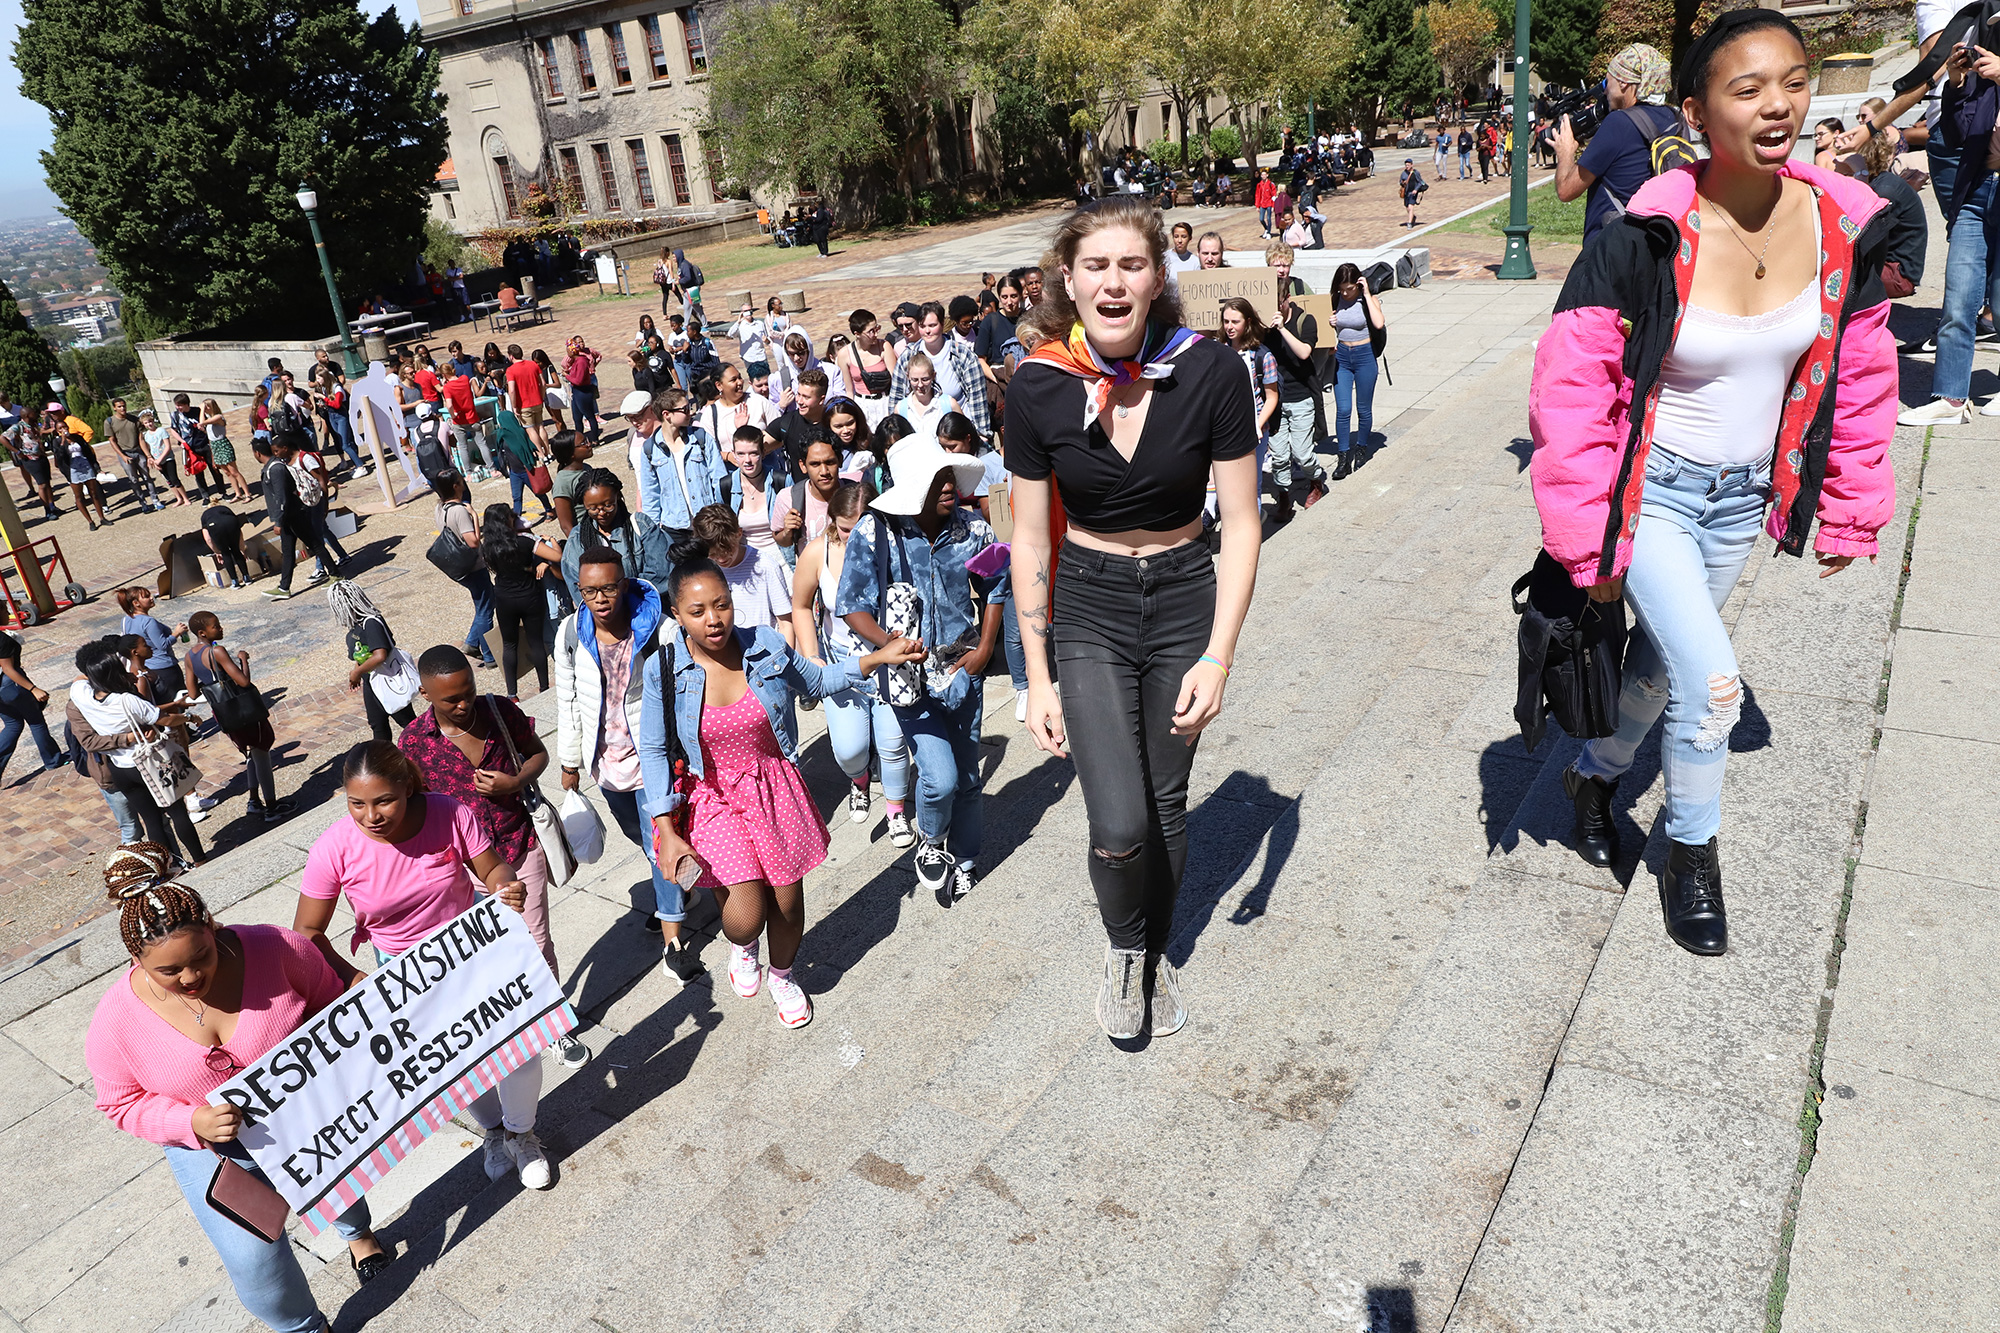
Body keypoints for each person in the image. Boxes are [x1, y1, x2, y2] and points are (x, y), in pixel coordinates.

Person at [1529, 9, 1896, 956]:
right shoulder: (1640, 239)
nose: (1778, 104)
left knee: (1659, 671)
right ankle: (1691, 854)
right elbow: (1572, 394)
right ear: (1694, 110)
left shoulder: (1840, 229)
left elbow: (1859, 377)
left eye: (1794, 81)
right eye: (1747, 88)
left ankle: (1596, 775)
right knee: (1716, 683)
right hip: (1649, 493)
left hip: (1741, 499)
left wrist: (1852, 508)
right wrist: (1588, 542)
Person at [1005, 193, 1262, 1040]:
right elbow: (1031, 541)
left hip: (1186, 591)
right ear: (1068, 281)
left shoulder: (1213, 371)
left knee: (1166, 801)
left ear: (1158, 278)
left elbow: (1244, 524)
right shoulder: (1039, 385)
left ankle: (1151, 956)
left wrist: (1218, 656)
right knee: (1118, 823)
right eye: (1096, 266)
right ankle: (1124, 949)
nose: (1114, 282)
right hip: (1089, 602)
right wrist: (1035, 679)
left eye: (1132, 264)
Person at [86, 849, 390, 1333]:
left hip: (305, 1116)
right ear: (136, 959)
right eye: (168, 972)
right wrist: (190, 1123)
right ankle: (306, 1328)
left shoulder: (277, 948)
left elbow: (332, 1005)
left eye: (201, 956)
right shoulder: (116, 1020)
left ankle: (358, 1236)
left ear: (213, 925)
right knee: (254, 1263)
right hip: (213, 1149)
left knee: (335, 1183)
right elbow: (119, 1102)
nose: (190, 978)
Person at [638, 539, 923, 1028]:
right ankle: (744, 948)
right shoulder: (664, 669)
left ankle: (784, 975)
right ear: (677, 614)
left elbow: (814, 681)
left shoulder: (764, 644)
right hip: (714, 799)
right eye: (698, 610)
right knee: (746, 915)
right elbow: (655, 749)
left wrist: (876, 660)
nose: (713, 619)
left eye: (721, 604)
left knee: (788, 903)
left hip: (775, 787)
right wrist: (665, 828)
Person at [295, 742, 555, 1186]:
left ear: (408, 788)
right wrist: (353, 977)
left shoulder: (448, 812)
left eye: (384, 801)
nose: (371, 816)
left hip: (471, 947)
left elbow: (492, 869)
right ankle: (493, 1131)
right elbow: (306, 933)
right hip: (402, 972)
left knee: (522, 1047)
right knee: (458, 1063)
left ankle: (522, 1132)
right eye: (357, 804)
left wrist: (506, 886)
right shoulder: (333, 848)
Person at [835, 441, 1000, 905]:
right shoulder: (876, 530)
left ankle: (965, 861)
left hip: (963, 669)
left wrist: (985, 646)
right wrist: (889, 645)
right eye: (939, 479)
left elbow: (998, 582)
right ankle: (931, 840)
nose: (951, 485)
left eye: (951, 476)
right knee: (940, 777)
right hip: (907, 681)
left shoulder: (971, 527)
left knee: (968, 777)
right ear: (913, 489)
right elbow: (851, 604)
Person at [553, 547, 706, 980]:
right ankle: (684, 887)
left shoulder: (661, 629)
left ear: (624, 584)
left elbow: (692, 684)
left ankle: (673, 940)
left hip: (653, 757)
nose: (599, 599)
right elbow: (567, 701)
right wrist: (569, 759)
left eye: (608, 588)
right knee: (639, 837)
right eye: (589, 591)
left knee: (660, 843)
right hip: (605, 761)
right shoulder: (569, 634)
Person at [792, 480, 914, 838]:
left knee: (893, 745)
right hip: (841, 663)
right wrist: (810, 653)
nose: (853, 536)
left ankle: (895, 811)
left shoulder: (891, 549)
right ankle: (859, 781)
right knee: (849, 750)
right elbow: (800, 606)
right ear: (832, 521)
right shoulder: (817, 552)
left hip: (889, 660)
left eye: (861, 527)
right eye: (846, 529)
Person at [1897, 31, 2000, 426]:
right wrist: (1956, 84)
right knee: (1958, 300)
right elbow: (1956, 134)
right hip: (1977, 192)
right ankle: (1952, 398)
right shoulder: (1984, 84)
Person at [68, 637, 206, 866]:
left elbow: (79, 680)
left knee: (151, 820)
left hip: (120, 768)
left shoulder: (80, 696)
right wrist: (189, 716)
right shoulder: (127, 701)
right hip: (149, 762)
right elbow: (165, 718)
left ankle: (168, 867)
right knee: (177, 810)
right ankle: (200, 859)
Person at [1555, 43, 1677, 246]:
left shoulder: (1619, 123)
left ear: (1623, 83)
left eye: (1607, 82)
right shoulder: (1676, 117)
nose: (1605, 92)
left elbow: (1566, 190)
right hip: (1659, 245)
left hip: (1613, 251)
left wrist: (1565, 151)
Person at [183, 612, 294, 823]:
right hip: (242, 708)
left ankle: (254, 800)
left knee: (250, 753)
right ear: (202, 632)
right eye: (216, 626)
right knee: (262, 753)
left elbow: (193, 693)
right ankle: (271, 805)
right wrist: (243, 660)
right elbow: (243, 682)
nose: (221, 628)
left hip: (223, 713)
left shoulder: (189, 657)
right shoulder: (216, 651)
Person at [1261, 240, 1326, 522]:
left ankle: (1316, 480)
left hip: (1301, 398)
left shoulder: (1303, 320)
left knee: (1302, 453)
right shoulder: (1263, 324)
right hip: (1275, 398)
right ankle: (1284, 498)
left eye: (1280, 300)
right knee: (1278, 457)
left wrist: (1282, 328)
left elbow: (1303, 352)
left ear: (1287, 299)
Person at [479, 502, 565, 697]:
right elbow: (557, 557)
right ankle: (544, 687)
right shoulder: (525, 540)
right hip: (530, 596)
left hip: (504, 598)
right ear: (507, 520)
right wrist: (551, 539)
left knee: (509, 644)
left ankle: (512, 694)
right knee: (536, 641)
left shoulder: (488, 548)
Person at [560, 466, 676, 603]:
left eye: (608, 505)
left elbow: (661, 573)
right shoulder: (578, 539)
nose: (601, 513)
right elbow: (576, 584)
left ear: (618, 496)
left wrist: (625, 599)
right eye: (593, 508)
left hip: (644, 608)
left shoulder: (641, 526)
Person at [631, 386, 729, 539]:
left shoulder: (701, 438)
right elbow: (651, 495)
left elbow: (719, 480)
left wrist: (722, 517)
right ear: (667, 415)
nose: (690, 412)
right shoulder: (650, 450)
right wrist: (654, 534)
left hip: (709, 523)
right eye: (684, 409)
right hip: (674, 529)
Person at [329, 580, 417, 743]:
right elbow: (358, 655)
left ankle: (431, 751)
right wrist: (357, 672)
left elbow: (380, 655)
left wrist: (356, 672)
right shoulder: (355, 626)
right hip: (371, 682)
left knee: (408, 722)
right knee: (378, 725)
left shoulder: (371, 622)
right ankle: (383, 764)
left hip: (389, 679)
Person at [888, 301, 992, 439]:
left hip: (957, 433)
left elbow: (977, 398)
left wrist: (981, 435)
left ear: (942, 324)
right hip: (920, 434)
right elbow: (896, 398)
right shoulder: (907, 357)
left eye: (932, 325)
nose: (927, 331)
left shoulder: (962, 355)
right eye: (922, 326)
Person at [433, 470, 501, 670]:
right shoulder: (460, 511)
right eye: (461, 481)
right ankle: (489, 656)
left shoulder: (440, 508)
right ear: (455, 486)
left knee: (483, 605)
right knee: (486, 610)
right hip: (474, 566)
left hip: (458, 567)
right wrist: (474, 517)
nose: (463, 484)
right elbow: (473, 542)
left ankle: (471, 643)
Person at [250, 435, 329, 601]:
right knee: (288, 552)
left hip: (293, 516)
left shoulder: (276, 469)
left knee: (315, 544)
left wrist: (279, 521)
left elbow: (282, 498)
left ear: (257, 453)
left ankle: (336, 574)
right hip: (288, 517)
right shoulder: (272, 467)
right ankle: (284, 587)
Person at [1328, 262, 1386, 477]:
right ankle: (1343, 456)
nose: (1345, 292)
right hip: (1342, 357)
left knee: (1363, 408)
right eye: (1342, 288)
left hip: (1364, 356)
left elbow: (1378, 323)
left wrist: (1367, 293)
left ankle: (1361, 447)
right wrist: (1330, 323)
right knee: (1343, 410)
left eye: (1349, 288)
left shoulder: (1366, 300)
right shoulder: (1335, 299)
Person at [0, 628, 64, 783]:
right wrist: (33, 689)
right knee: (36, 722)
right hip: (11, 686)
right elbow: (8, 668)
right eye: (2, 608)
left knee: (12, 725)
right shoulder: (2, 639)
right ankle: (53, 760)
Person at [116, 586, 187, 703]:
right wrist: (176, 633)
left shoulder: (126, 620)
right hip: (165, 667)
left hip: (147, 667)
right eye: (146, 596)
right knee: (178, 702)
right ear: (136, 603)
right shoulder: (149, 622)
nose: (151, 598)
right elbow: (163, 645)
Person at [836, 309, 898, 425]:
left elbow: (896, 380)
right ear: (857, 334)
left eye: (876, 329)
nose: (875, 334)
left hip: (884, 401)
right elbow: (849, 390)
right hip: (862, 403)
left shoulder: (884, 346)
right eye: (870, 331)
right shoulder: (845, 354)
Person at [103, 398, 162, 512]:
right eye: (119, 406)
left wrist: (148, 456)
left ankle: (155, 500)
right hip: (125, 453)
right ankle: (143, 503)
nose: (122, 408)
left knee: (147, 477)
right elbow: (112, 441)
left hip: (138, 452)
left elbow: (141, 439)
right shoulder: (110, 422)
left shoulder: (134, 420)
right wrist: (122, 455)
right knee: (133, 479)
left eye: (123, 405)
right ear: (114, 408)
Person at [58, 418, 112, 529]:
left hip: (86, 466)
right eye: (60, 428)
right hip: (73, 470)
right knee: (79, 497)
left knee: (94, 493)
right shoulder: (57, 442)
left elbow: (88, 452)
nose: (63, 429)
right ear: (57, 431)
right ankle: (90, 521)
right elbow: (60, 458)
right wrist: (63, 441)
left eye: (65, 427)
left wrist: (96, 467)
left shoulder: (77, 437)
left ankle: (102, 518)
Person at [198, 398, 251, 502]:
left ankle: (247, 493)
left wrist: (201, 410)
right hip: (215, 445)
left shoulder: (218, 417)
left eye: (206, 406)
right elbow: (210, 435)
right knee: (227, 472)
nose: (205, 409)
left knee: (234, 471)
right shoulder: (210, 420)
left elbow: (202, 422)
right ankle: (238, 493)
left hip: (223, 444)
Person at [547, 430, 594, 536]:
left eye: (586, 440)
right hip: (587, 536)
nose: (589, 444)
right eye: (583, 443)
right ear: (571, 454)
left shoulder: (586, 468)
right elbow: (566, 526)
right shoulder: (562, 483)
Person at [141, 408, 191, 507]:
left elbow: (167, 446)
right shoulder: (146, 435)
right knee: (169, 481)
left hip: (168, 459)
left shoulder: (161, 431)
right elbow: (148, 448)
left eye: (150, 421)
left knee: (174, 479)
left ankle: (186, 498)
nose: (149, 424)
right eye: (146, 423)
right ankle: (178, 498)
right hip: (157, 461)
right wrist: (152, 460)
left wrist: (160, 459)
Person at [563, 336, 602, 442]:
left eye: (568, 350)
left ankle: (595, 439)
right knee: (577, 418)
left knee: (590, 416)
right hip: (576, 393)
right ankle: (580, 439)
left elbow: (579, 380)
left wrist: (567, 376)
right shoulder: (575, 361)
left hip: (583, 392)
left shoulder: (581, 361)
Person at [1399, 157, 1426, 227]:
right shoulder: (1403, 173)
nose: (1407, 167)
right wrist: (1403, 183)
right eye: (1406, 165)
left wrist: (1416, 189)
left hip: (1413, 192)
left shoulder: (1415, 173)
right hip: (1406, 192)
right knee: (1407, 207)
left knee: (1410, 207)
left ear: (1412, 165)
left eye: (1408, 165)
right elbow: (1400, 182)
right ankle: (1413, 217)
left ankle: (1409, 223)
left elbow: (1420, 182)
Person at [1255, 168, 1277, 236]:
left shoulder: (1271, 184)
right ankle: (1266, 228)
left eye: (1264, 175)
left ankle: (1268, 232)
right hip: (1262, 204)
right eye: (1262, 175)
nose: (1263, 176)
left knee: (1268, 218)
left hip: (1269, 203)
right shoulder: (1259, 184)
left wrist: (1273, 206)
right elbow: (1258, 195)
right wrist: (1257, 206)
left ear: (1267, 175)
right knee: (1261, 219)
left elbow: (1274, 196)